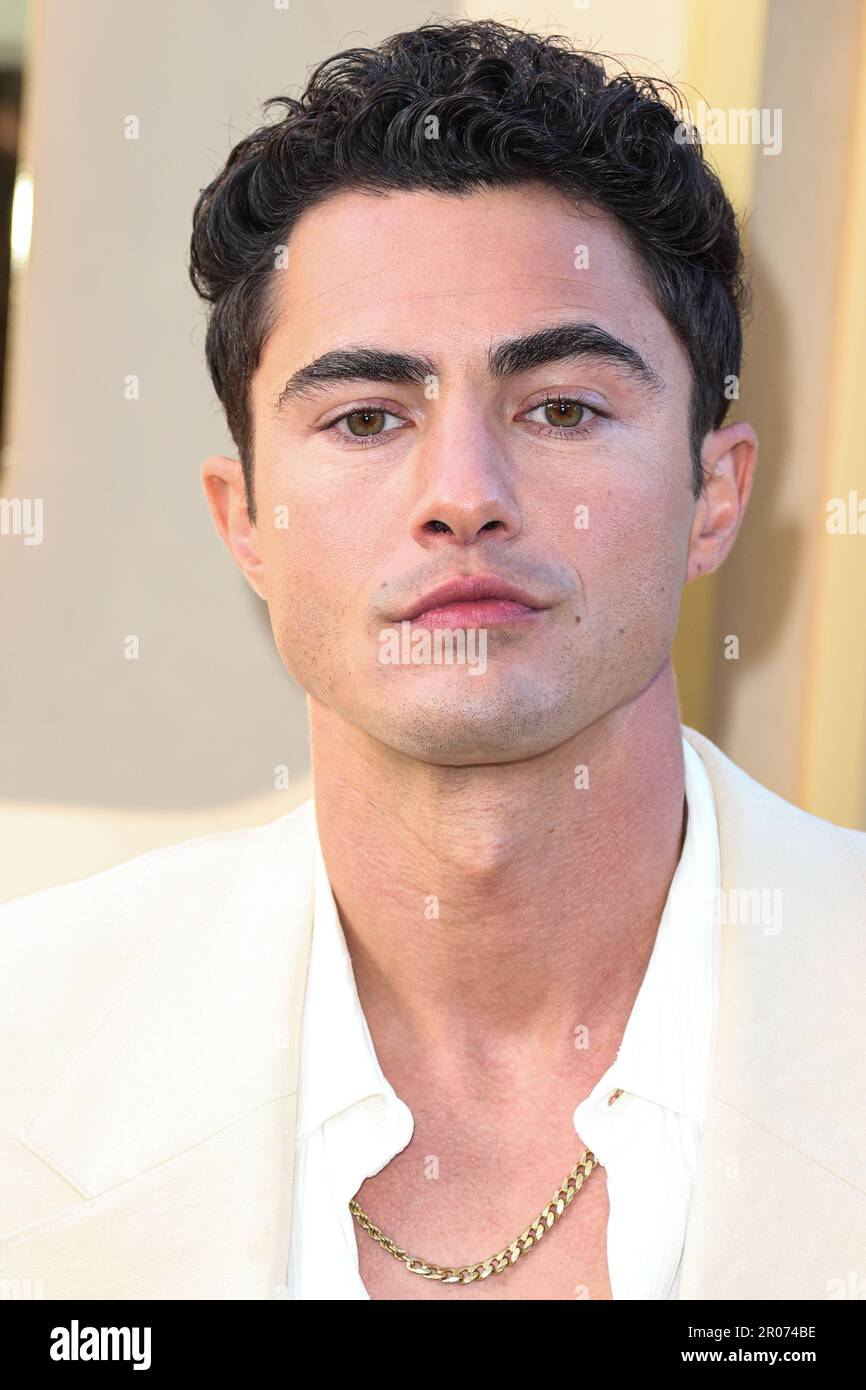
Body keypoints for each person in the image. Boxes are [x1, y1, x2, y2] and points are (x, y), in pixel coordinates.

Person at [1, 19, 863, 1302]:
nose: (462, 494)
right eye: (364, 417)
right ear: (243, 522)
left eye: (561, 407)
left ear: (714, 494)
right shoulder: (28, 1041)